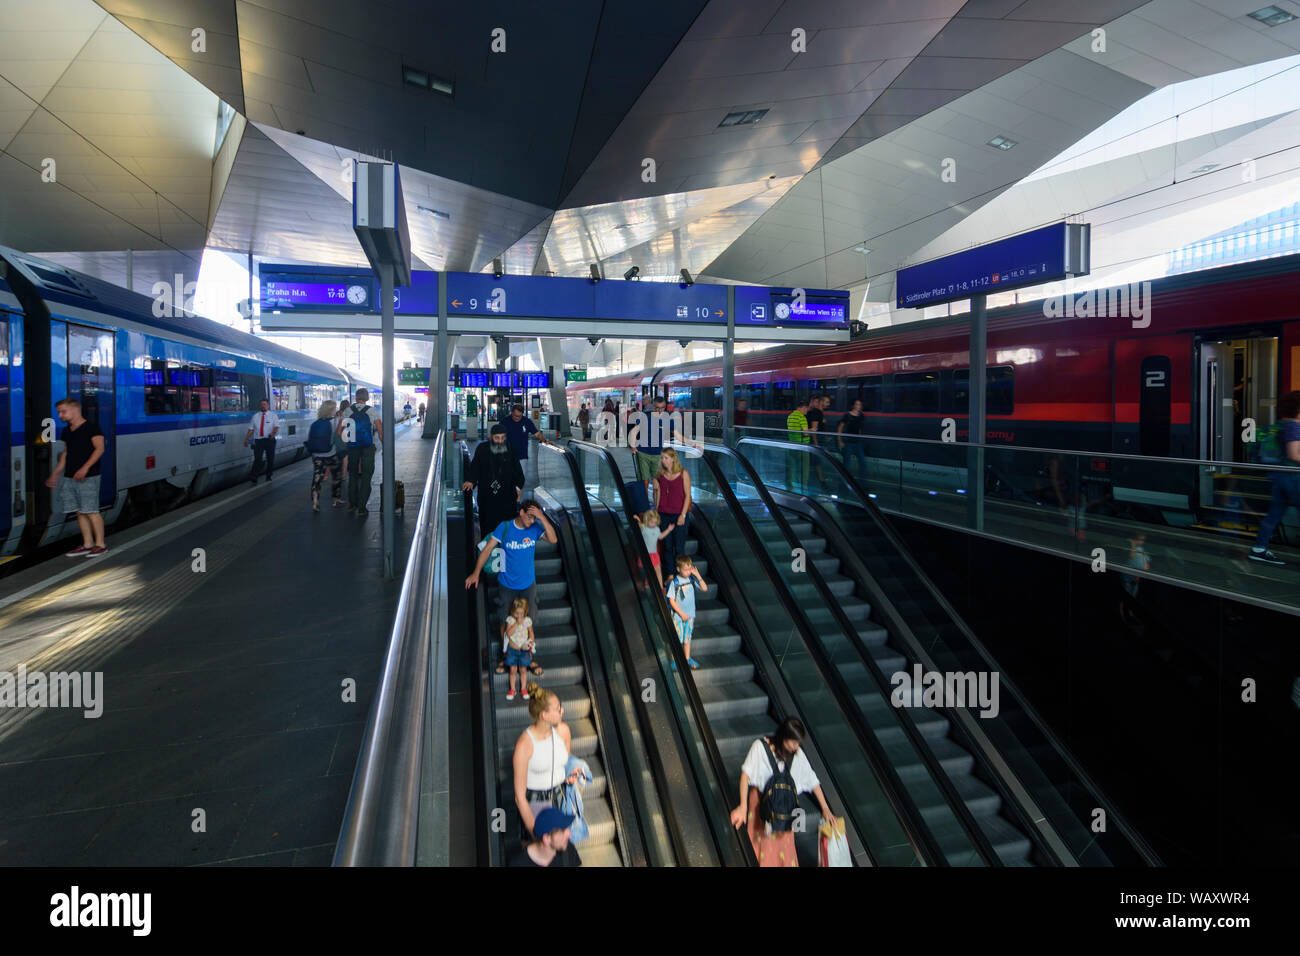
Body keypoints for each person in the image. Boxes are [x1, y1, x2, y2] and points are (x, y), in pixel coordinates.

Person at [466, 499, 557, 678]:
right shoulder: (505, 527)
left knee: (528, 621)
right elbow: (486, 550)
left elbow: (553, 540)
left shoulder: (535, 528)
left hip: (528, 585)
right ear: (521, 512)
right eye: (530, 517)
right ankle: (507, 655)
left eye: (535, 518)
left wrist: (542, 518)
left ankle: (528, 656)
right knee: (505, 620)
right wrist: (476, 573)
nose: (532, 521)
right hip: (507, 585)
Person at [729, 717, 837, 867]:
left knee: (783, 852)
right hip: (762, 808)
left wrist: (825, 808)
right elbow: (745, 776)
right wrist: (743, 807)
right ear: (783, 737)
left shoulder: (797, 755)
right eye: (793, 742)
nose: (796, 747)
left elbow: (812, 781)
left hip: (784, 809)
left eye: (798, 742)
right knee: (763, 850)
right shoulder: (760, 747)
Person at [511, 684, 585, 850]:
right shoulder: (525, 744)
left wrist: (572, 775)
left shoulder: (563, 731)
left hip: (560, 796)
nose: (562, 711)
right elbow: (519, 797)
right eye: (558, 708)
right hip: (535, 801)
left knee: (561, 849)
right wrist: (535, 832)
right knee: (538, 850)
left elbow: (566, 763)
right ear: (544, 715)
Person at [44, 397, 107, 557]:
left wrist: (85, 468)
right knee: (79, 511)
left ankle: (100, 544)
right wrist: (56, 474)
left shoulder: (92, 428)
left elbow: (99, 449)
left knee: (91, 510)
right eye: (59, 412)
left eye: (62, 411)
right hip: (70, 476)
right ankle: (87, 544)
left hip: (89, 476)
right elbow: (66, 454)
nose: (60, 415)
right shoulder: (67, 431)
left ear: (75, 410)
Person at [1249, 390, 1300, 565]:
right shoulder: (1294, 426)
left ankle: (1259, 549)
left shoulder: (1280, 424)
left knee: (1273, 515)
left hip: (1279, 477)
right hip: (1293, 478)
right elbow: (1294, 454)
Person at [463, 424, 525, 539]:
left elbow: (518, 472)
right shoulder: (482, 449)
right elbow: (475, 467)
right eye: (497, 438)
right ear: (491, 437)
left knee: (507, 530)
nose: (500, 441)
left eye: (503, 438)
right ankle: (488, 553)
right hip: (487, 498)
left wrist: (518, 488)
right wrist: (471, 481)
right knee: (488, 529)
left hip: (507, 498)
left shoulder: (510, 448)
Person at [342, 388, 382, 516]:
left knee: (353, 475)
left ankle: (352, 503)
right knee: (366, 476)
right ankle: (362, 507)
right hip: (367, 447)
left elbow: (339, 431)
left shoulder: (348, 411)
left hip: (352, 446)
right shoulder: (372, 411)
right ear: (367, 398)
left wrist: (347, 442)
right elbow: (380, 431)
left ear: (355, 398)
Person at [653, 448, 692, 574]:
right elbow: (657, 495)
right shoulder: (660, 474)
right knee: (667, 546)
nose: (663, 460)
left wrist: (683, 515)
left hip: (679, 515)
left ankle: (681, 574)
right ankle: (670, 574)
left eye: (666, 458)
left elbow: (687, 496)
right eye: (662, 458)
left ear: (673, 459)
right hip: (664, 514)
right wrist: (656, 510)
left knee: (679, 547)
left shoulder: (683, 473)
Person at [665, 554, 706, 669]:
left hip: (690, 615)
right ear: (678, 569)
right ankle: (675, 659)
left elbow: (704, 588)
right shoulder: (675, 582)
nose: (688, 571)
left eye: (690, 569)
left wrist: (697, 575)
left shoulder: (692, 580)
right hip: (678, 616)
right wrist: (681, 613)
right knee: (677, 638)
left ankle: (687, 658)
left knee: (687, 637)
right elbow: (671, 601)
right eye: (686, 569)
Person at [508, 807, 579, 867]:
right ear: (546, 839)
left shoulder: (569, 849)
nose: (569, 834)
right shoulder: (518, 864)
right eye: (562, 831)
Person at [633, 395, 677, 490]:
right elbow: (635, 430)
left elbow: (677, 434)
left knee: (657, 480)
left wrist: (691, 443)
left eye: (662, 408)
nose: (660, 411)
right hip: (643, 452)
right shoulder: (645, 416)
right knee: (645, 480)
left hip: (657, 454)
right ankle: (644, 502)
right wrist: (633, 446)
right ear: (653, 406)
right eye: (657, 408)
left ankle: (657, 503)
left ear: (665, 408)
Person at [307, 400, 344, 512]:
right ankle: (336, 498)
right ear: (331, 410)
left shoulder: (315, 423)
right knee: (337, 475)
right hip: (330, 454)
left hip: (316, 455)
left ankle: (315, 500)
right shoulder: (335, 422)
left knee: (317, 477)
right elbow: (339, 436)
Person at [503, 403, 550, 490]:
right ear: (512, 413)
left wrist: (545, 440)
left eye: (520, 416)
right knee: (507, 478)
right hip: (507, 456)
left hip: (522, 456)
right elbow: (497, 435)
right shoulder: (505, 421)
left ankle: (517, 499)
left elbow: (537, 433)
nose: (518, 418)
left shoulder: (526, 421)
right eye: (516, 416)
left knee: (520, 480)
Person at [503, 596, 535, 702]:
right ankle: (512, 689)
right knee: (512, 670)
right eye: (517, 613)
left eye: (522, 614)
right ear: (513, 611)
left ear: (525, 612)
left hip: (524, 650)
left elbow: (531, 632)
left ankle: (523, 689)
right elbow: (508, 633)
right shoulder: (510, 620)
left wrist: (531, 641)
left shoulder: (528, 620)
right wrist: (516, 623)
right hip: (512, 649)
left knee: (523, 669)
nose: (519, 616)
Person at [244, 398, 279, 484]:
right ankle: (254, 477)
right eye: (262, 404)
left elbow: (276, 426)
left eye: (264, 404)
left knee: (270, 459)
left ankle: (269, 475)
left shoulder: (273, 416)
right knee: (257, 459)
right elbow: (251, 429)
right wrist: (246, 439)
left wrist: (273, 433)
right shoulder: (255, 416)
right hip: (259, 440)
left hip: (269, 440)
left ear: (268, 405)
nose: (263, 406)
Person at [634, 507, 669, 586]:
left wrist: (668, 530)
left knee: (658, 570)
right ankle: (647, 585)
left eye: (655, 522)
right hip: (645, 554)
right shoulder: (644, 527)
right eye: (652, 522)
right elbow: (638, 523)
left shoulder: (656, 529)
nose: (654, 524)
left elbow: (660, 537)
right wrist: (637, 518)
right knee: (648, 572)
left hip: (654, 554)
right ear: (647, 521)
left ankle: (660, 587)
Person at [785, 398, 811, 490]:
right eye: (806, 408)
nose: (807, 411)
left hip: (792, 445)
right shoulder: (802, 417)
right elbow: (805, 433)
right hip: (802, 447)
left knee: (793, 467)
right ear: (803, 408)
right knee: (804, 469)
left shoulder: (790, 416)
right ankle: (804, 488)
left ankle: (792, 487)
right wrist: (811, 431)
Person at [837, 398, 866, 479]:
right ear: (853, 405)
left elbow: (859, 428)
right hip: (849, 442)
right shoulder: (847, 415)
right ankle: (845, 482)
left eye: (860, 404)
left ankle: (862, 483)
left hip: (857, 442)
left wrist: (860, 438)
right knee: (847, 464)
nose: (859, 406)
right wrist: (840, 441)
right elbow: (840, 428)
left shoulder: (861, 416)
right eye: (857, 404)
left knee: (862, 462)